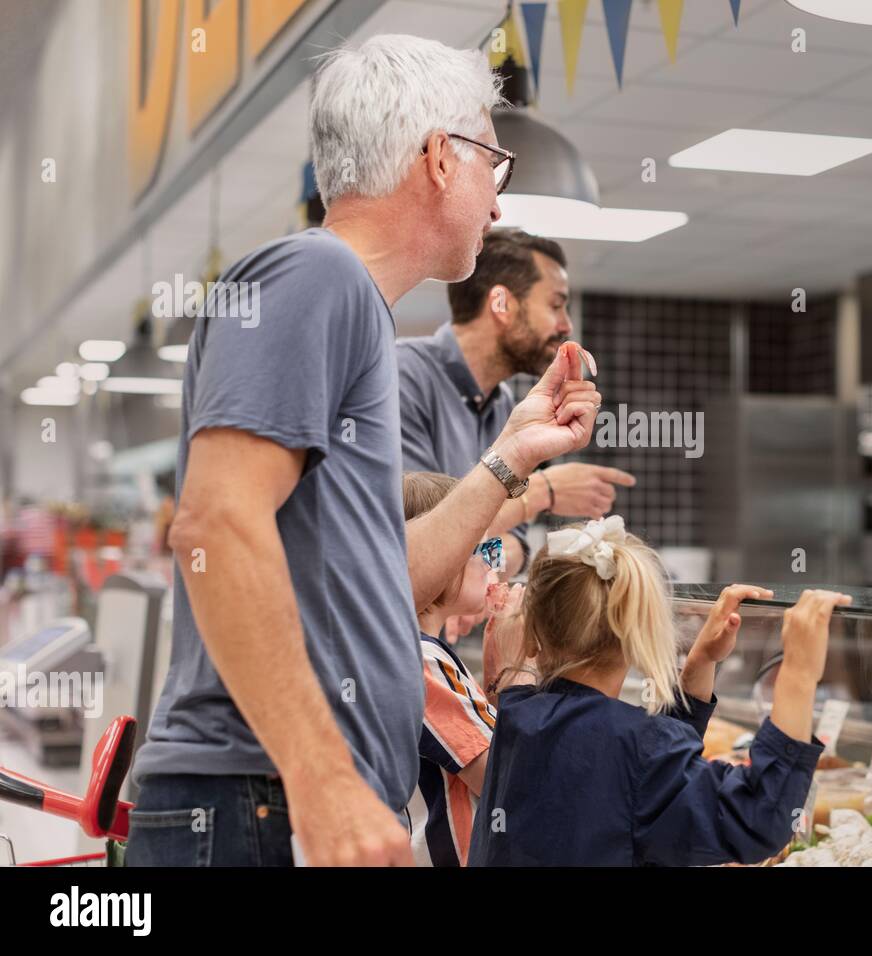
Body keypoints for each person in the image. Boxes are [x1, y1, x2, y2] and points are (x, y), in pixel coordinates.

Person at [127, 34, 602, 867]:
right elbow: (213, 526)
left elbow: (389, 577)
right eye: (494, 162)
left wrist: (511, 457)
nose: (498, 206)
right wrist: (324, 781)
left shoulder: (353, 310)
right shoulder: (316, 275)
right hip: (259, 796)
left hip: (283, 797)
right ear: (437, 159)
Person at [469, 515, 850, 867]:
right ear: (639, 638)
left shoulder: (521, 714)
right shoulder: (638, 745)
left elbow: (639, 792)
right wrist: (798, 674)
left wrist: (699, 663)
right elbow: (760, 818)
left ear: (534, 636)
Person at [397, 228, 636, 584]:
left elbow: (514, 548)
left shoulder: (503, 403)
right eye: (556, 305)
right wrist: (543, 491)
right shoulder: (404, 377)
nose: (566, 324)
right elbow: (420, 534)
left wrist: (476, 566)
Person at [400, 471, 528, 867]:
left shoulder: (434, 655)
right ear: (442, 551)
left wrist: (494, 678)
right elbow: (508, 780)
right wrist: (521, 673)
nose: (497, 563)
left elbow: (479, 742)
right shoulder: (421, 661)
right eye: (484, 546)